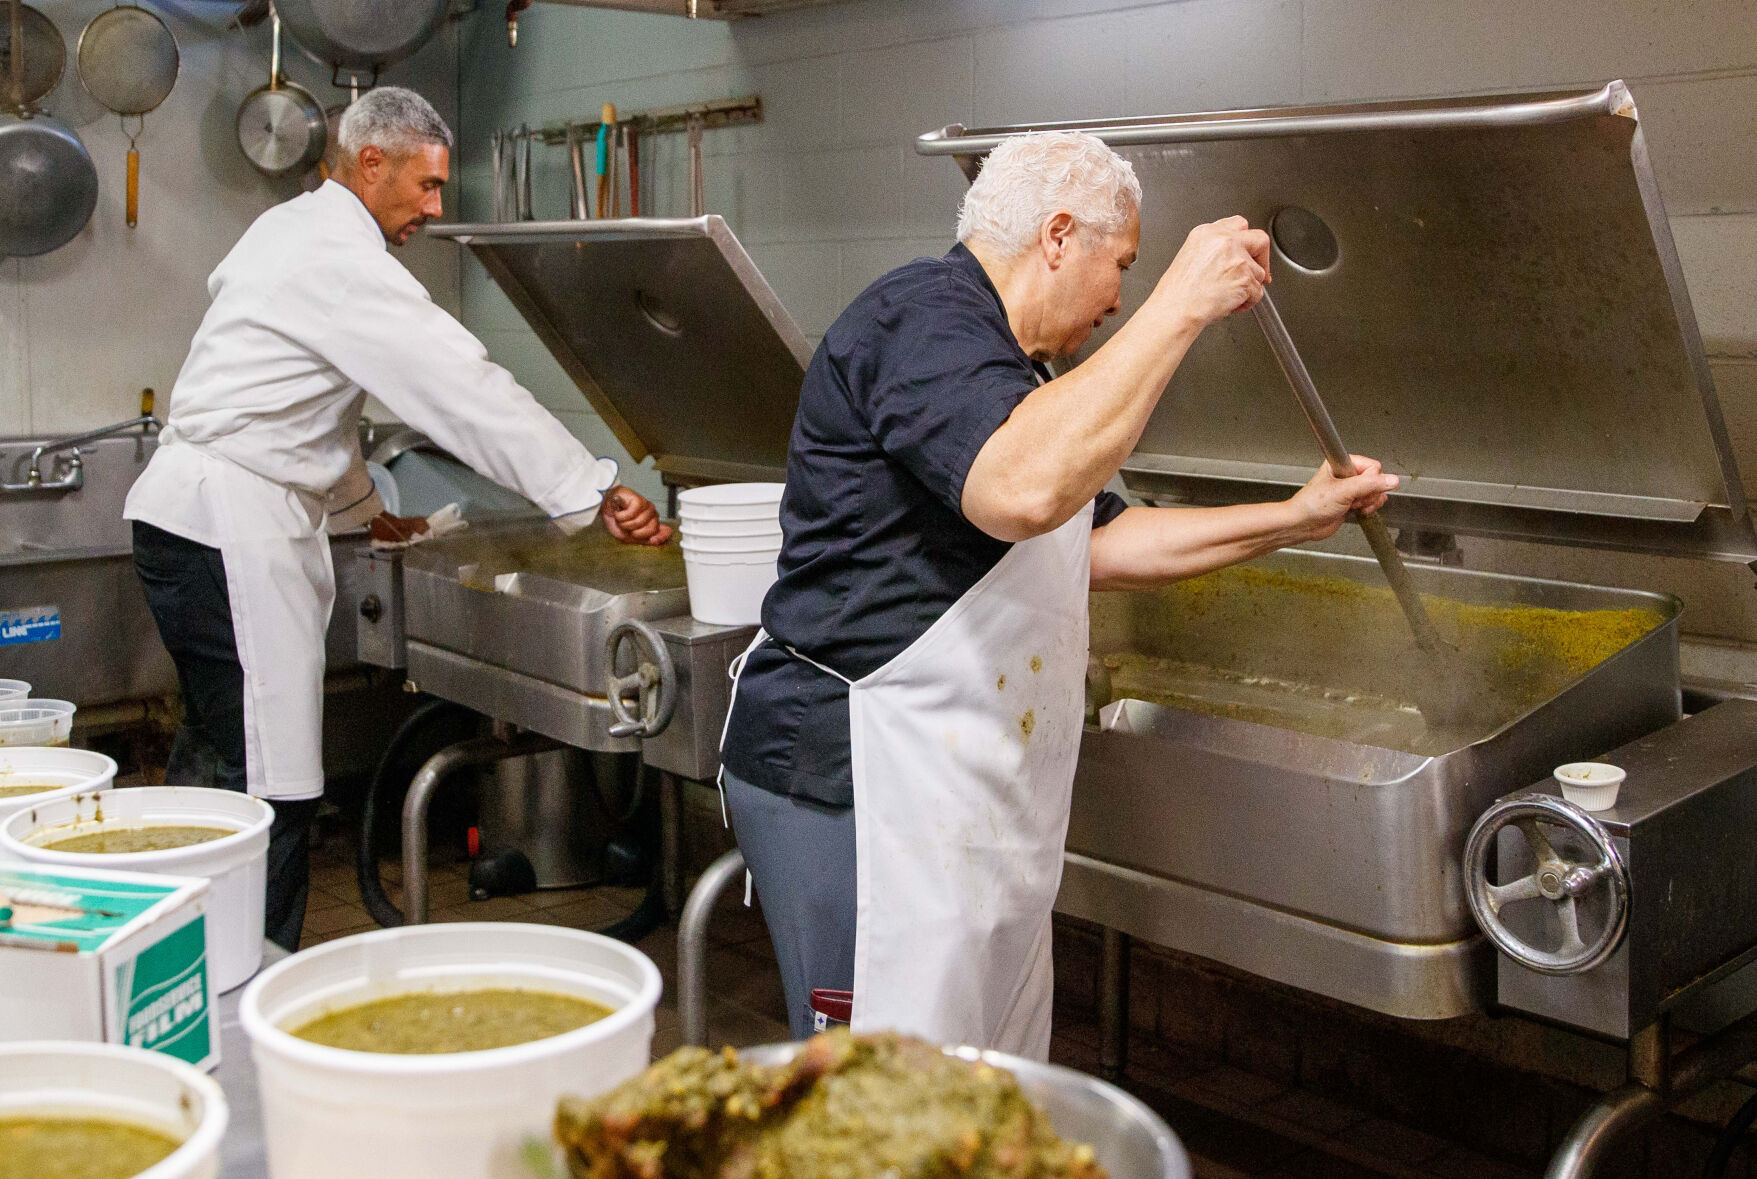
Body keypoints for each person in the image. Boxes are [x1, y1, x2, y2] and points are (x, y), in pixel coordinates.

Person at [718, 130, 1399, 1059]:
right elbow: (1023, 490)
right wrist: (1181, 307)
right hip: (856, 778)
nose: (1119, 296)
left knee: (979, 1086)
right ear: (1056, 236)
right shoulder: (918, 320)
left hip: (949, 788)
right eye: (1118, 265)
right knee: (873, 1103)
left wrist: (1294, 515)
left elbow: (1102, 540)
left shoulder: (1007, 370)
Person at [124, 87, 669, 952]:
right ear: (369, 163)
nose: (436, 207)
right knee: (269, 791)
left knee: (219, 771)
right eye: (426, 185)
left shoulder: (291, 231)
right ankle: (245, 989)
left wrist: (364, 513)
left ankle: (176, 971)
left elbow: (302, 406)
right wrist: (589, 489)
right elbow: (464, 385)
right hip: (226, 528)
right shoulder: (343, 263)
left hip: (194, 521)